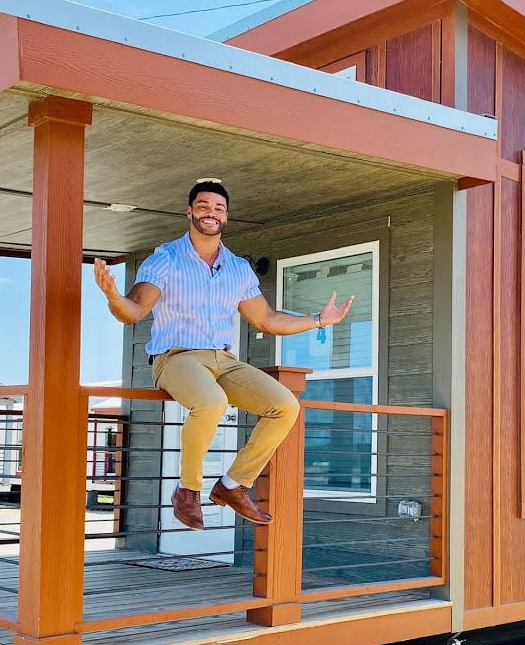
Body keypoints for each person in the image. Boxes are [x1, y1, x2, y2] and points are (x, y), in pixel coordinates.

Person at [92, 179, 355, 531]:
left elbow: (267, 319)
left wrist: (319, 319)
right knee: (212, 402)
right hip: (176, 357)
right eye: (202, 206)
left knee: (285, 405)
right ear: (189, 211)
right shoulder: (166, 258)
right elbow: (134, 311)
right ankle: (188, 491)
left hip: (224, 360)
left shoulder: (237, 268)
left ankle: (231, 486)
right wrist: (112, 295)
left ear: (226, 217)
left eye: (218, 208)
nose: (210, 213)